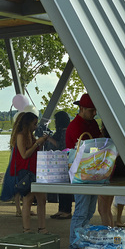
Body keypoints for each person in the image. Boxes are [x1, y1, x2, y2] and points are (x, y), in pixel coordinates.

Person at [65, 92, 113, 234]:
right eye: (91, 110)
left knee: (89, 211)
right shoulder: (75, 126)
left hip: (91, 172)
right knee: (81, 211)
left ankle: (82, 242)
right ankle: (75, 246)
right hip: (81, 174)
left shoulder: (91, 123)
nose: (94, 113)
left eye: (95, 110)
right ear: (82, 109)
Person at [1, 111, 48, 233]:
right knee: (28, 200)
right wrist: (37, 143)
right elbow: (24, 155)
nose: (36, 127)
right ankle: (26, 229)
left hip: (36, 171)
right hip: (26, 172)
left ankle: (42, 227)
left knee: (42, 200)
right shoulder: (20, 136)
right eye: (34, 124)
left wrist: (40, 143)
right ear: (27, 124)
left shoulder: (30, 136)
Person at [48, 111, 73, 219]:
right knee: (61, 187)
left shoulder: (65, 132)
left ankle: (66, 210)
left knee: (65, 187)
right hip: (62, 162)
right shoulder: (64, 131)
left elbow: (62, 146)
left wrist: (49, 138)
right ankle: (61, 209)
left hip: (64, 161)